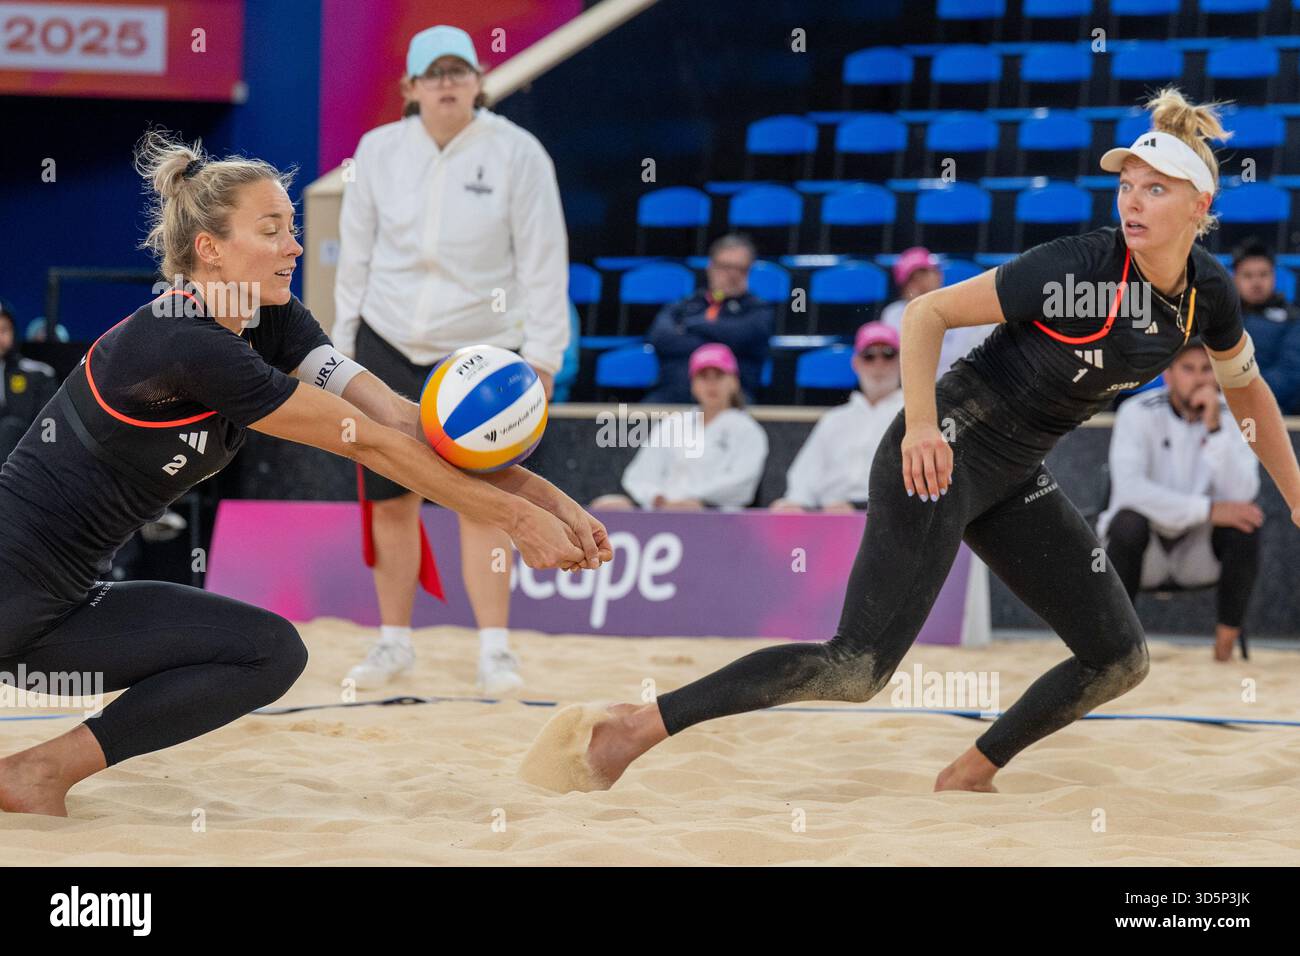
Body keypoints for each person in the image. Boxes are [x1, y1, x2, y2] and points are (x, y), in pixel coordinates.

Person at [525, 87, 1300, 794]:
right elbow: (924, 316)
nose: (1132, 201)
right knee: (857, 667)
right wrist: (923, 426)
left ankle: (969, 772)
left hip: (1014, 474)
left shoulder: (1210, 296)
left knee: (1119, 658)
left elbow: (1250, 395)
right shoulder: (1077, 268)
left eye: (1154, 189)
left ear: (1199, 205)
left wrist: (1296, 497)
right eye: (1126, 184)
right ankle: (634, 727)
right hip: (943, 450)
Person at [0, 132, 608, 817]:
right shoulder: (181, 340)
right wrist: (518, 522)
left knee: (268, 652)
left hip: (60, 611)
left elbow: (405, 423)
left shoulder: (271, 320)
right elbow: (371, 447)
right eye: (272, 230)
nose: (294, 247)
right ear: (209, 249)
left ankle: (41, 770)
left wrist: (552, 499)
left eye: (292, 228)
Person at [334, 25, 570, 693]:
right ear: (410, 87)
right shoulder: (378, 150)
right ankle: (393, 643)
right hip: (387, 339)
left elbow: (545, 259)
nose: (446, 83)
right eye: (432, 73)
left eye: (458, 71)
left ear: (478, 80)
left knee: (484, 504)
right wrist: (341, 350)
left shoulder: (518, 153)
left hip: (483, 352)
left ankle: (494, 649)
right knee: (390, 499)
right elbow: (354, 258)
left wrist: (546, 356)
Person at [1098, 338, 1261, 662]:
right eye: (1188, 369)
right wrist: (1208, 510)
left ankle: (1223, 652)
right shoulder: (1136, 413)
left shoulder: (1235, 418)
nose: (1199, 378)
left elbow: (1243, 495)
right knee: (1128, 521)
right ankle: (1117, 652)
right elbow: (1130, 491)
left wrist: (1214, 429)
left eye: (1207, 370)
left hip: (1197, 553)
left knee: (1247, 523)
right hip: (1144, 553)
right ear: (1168, 375)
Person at [592, 344, 768, 511]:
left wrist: (694, 500)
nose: (711, 384)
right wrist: (655, 497)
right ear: (693, 384)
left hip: (720, 520)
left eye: (719, 376)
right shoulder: (673, 424)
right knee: (607, 505)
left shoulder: (748, 430)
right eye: (703, 377)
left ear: (734, 382)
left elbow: (742, 484)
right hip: (662, 512)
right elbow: (639, 476)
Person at [769, 322, 903, 513]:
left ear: (901, 361)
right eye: (869, 356)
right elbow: (804, 476)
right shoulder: (834, 420)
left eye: (888, 354)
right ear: (856, 363)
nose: (878, 364)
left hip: (891, 519)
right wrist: (796, 502)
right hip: (830, 520)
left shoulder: (916, 417)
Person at [644, 234, 772, 404]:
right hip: (672, 397)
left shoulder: (758, 310)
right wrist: (716, 338)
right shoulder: (684, 305)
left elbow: (741, 335)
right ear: (710, 267)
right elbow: (660, 337)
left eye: (740, 268)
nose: (732, 275)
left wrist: (689, 326)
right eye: (725, 266)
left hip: (730, 403)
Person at [1232, 238, 1300, 415]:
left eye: (1263, 274)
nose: (1256, 282)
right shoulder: (1220, 317)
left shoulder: (1293, 318)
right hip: (1222, 408)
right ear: (1234, 278)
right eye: (1248, 275)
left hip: (1276, 411)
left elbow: (1291, 373)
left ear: (1274, 276)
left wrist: (1246, 396)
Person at [0, 302, 58, 463]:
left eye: (3, 330)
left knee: (9, 428)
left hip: (23, 456)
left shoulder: (38, 373)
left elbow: (50, 426)